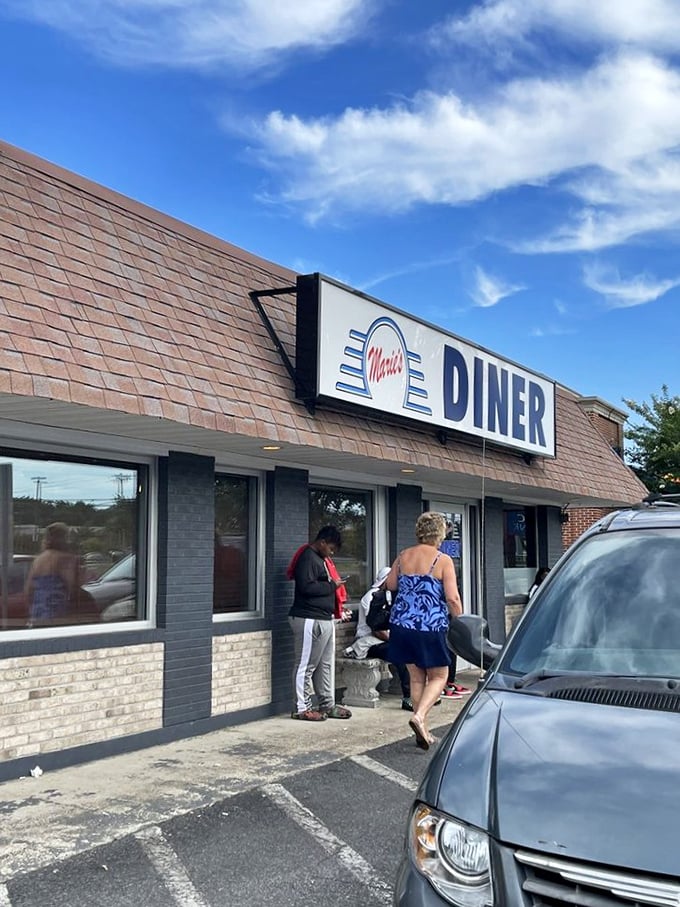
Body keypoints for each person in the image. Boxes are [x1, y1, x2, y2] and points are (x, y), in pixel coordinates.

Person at [386, 512, 463, 750]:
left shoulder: (403, 556)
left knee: (417, 677)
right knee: (440, 676)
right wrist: (460, 619)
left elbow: (391, 585)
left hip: (402, 625)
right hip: (430, 625)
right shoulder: (442, 560)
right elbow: (452, 597)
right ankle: (419, 717)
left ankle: (423, 729)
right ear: (439, 533)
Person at [287, 526, 353, 722]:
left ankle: (327, 704)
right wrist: (333, 585)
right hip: (308, 617)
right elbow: (306, 587)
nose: (331, 553)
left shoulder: (323, 560)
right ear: (322, 542)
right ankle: (301, 707)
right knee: (305, 665)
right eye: (331, 548)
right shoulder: (307, 557)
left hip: (325, 617)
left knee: (324, 664)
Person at [344, 567, 413, 711]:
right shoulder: (371, 598)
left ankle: (417, 692)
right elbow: (377, 630)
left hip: (385, 639)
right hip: (371, 643)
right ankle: (408, 698)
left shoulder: (388, 595)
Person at [25, 522, 80, 625]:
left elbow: (28, 590)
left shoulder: (38, 559)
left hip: (37, 614)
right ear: (63, 538)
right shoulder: (64, 558)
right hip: (56, 613)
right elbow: (72, 586)